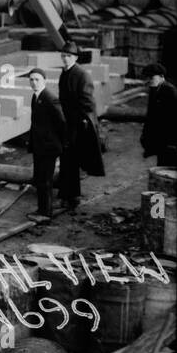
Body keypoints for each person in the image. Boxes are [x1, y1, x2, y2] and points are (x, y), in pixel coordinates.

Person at [57, 40, 104, 209]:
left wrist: (84, 120)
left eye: (68, 56)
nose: (65, 59)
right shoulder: (65, 73)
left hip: (77, 124)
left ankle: (72, 197)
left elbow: (88, 102)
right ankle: (66, 194)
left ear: (75, 57)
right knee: (66, 159)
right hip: (66, 122)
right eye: (63, 56)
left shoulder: (82, 75)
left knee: (72, 160)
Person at [26, 67, 67, 221]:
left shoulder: (50, 98)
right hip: (39, 146)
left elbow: (62, 123)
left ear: (44, 81)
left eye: (37, 79)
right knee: (39, 179)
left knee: (45, 180)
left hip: (48, 147)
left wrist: (59, 144)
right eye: (31, 79)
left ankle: (45, 212)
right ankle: (42, 209)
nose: (34, 82)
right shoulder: (35, 97)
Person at [140, 63, 177, 169]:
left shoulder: (170, 91)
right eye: (146, 78)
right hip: (162, 137)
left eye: (151, 77)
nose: (148, 80)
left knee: (167, 166)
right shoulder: (155, 89)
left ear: (161, 76)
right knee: (161, 163)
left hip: (169, 139)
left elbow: (173, 119)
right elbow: (151, 115)